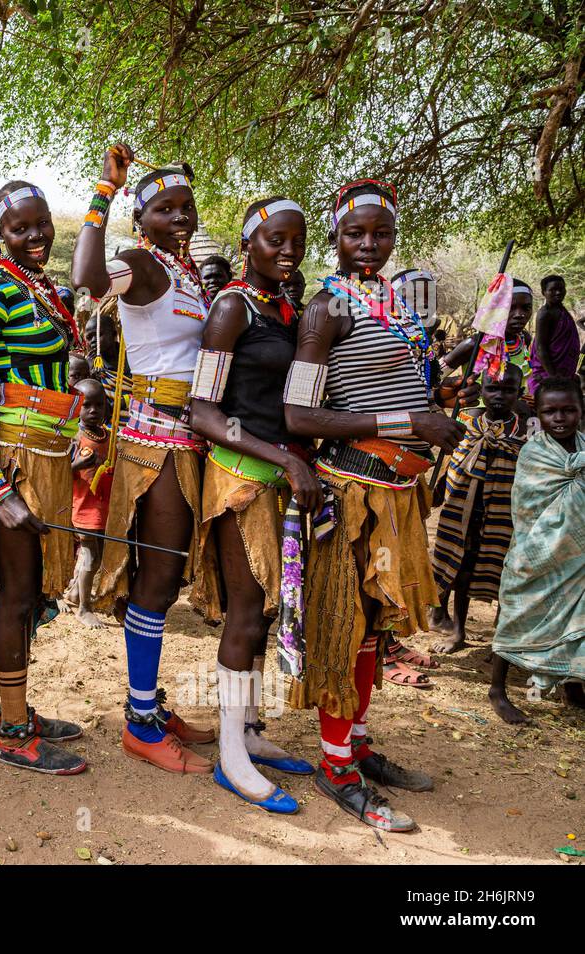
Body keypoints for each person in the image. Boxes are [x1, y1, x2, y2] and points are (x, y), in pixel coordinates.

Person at [283, 178, 468, 832]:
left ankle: (356, 746)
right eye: (355, 233)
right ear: (336, 236)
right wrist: (409, 423)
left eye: (380, 233)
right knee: (345, 625)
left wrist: (437, 398)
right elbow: (300, 415)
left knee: (373, 629)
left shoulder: (391, 299)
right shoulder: (326, 309)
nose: (368, 243)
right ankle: (336, 769)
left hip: (396, 491)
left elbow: (392, 383)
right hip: (351, 490)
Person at [71, 145, 216, 774]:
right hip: (156, 444)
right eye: (165, 208)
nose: (180, 216)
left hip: (191, 440)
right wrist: (104, 192)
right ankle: (138, 723)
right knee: (156, 579)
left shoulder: (188, 274)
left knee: (168, 575)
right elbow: (87, 280)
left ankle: (151, 705)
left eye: (186, 206)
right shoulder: (139, 264)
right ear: (141, 220)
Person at [0, 179, 87, 775]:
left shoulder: (47, 291)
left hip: (51, 457)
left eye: (41, 223)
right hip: (16, 460)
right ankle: (11, 732)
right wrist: (1, 494)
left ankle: (18, 710)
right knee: (16, 594)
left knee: (31, 593)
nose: (35, 236)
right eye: (19, 228)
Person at [188, 196, 318, 813]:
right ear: (248, 246)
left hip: (283, 477)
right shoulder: (231, 308)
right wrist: (285, 458)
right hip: (241, 478)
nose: (288, 251)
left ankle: (248, 731)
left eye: (297, 241)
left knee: (265, 611)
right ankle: (230, 758)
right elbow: (203, 411)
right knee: (244, 613)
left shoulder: (287, 310)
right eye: (275, 241)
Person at [489, 376, 585, 723]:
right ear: (538, 413)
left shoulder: (583, 448)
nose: (559, 418)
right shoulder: (534, 453)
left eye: (568, 410)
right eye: (550, 411)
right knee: (515, 612)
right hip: (534, 552)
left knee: (577, 619)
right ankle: (497, 689)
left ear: (581, 409)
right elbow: (526, 509)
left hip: (577, 557)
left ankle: (572, 685)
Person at [427, 367, 526, 657]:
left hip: (502, 516)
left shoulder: (523, 431)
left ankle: (504, 638)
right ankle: (458, 630)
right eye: (492, 388)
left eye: (508, 390)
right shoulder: (467, 420)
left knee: (504, 569)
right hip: (463, 511)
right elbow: (451, 462)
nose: (499, 395)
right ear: (481, 390)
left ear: (519, 394)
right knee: (460, 569)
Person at [66, 378, 111, 629]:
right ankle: (84, 609)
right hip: (84, 507)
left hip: (103, 507)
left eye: (99, 405)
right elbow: (61, 472)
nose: (94, 410)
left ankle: (75, 594)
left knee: (97, 556)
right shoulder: (75, 437)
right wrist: (78, 465)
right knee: (90, 556)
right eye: (87, 405)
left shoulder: (109, 436)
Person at [528, 275, 579, 394]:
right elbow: (540, 347)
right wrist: (554, 377)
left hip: (563, 371)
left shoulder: (561, 310)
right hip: (550, 371)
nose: (558, 292)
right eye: (553, 290)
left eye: (561, 289)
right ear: (544, 292)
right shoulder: (545, 314)